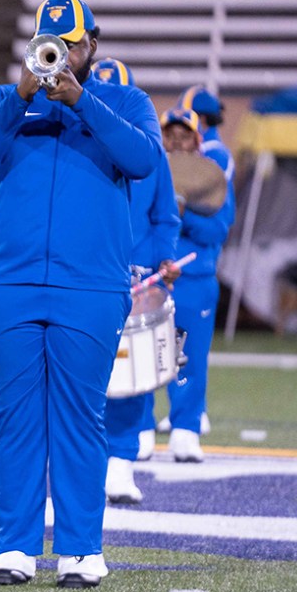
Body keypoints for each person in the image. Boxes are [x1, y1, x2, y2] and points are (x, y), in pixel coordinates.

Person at [0, 0, 164, 588]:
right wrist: (22, 95)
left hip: (90, 286)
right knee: (16, 417)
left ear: (92, 46)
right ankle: (15, 548)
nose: (63, 55)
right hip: (10, 282)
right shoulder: (2, 100)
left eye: (72, 44)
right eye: (53, 43)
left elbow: (144, 161)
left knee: (79, 415)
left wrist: (82, 101)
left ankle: (79, 548)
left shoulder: (125, 101)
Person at [90, 58, 180, 503]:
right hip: (86, 274)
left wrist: (163, 260)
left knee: (131, 373)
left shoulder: (150, 151)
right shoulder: (77, 143)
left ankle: (121, 465)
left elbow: (164, 215)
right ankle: (84, 465)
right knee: (79, 376)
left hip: (137, 280)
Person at [158, 104, 235, 463]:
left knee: (188, 356)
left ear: (196, 139)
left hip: (193, 278)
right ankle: (138, 430)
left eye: (183, 135)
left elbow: (217, 229)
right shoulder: (148, 170)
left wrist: (183, 214)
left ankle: (186, 429)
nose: (175, 142)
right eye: (169, 135)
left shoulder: (211, 178)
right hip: (152, 277)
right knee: (142, 355)